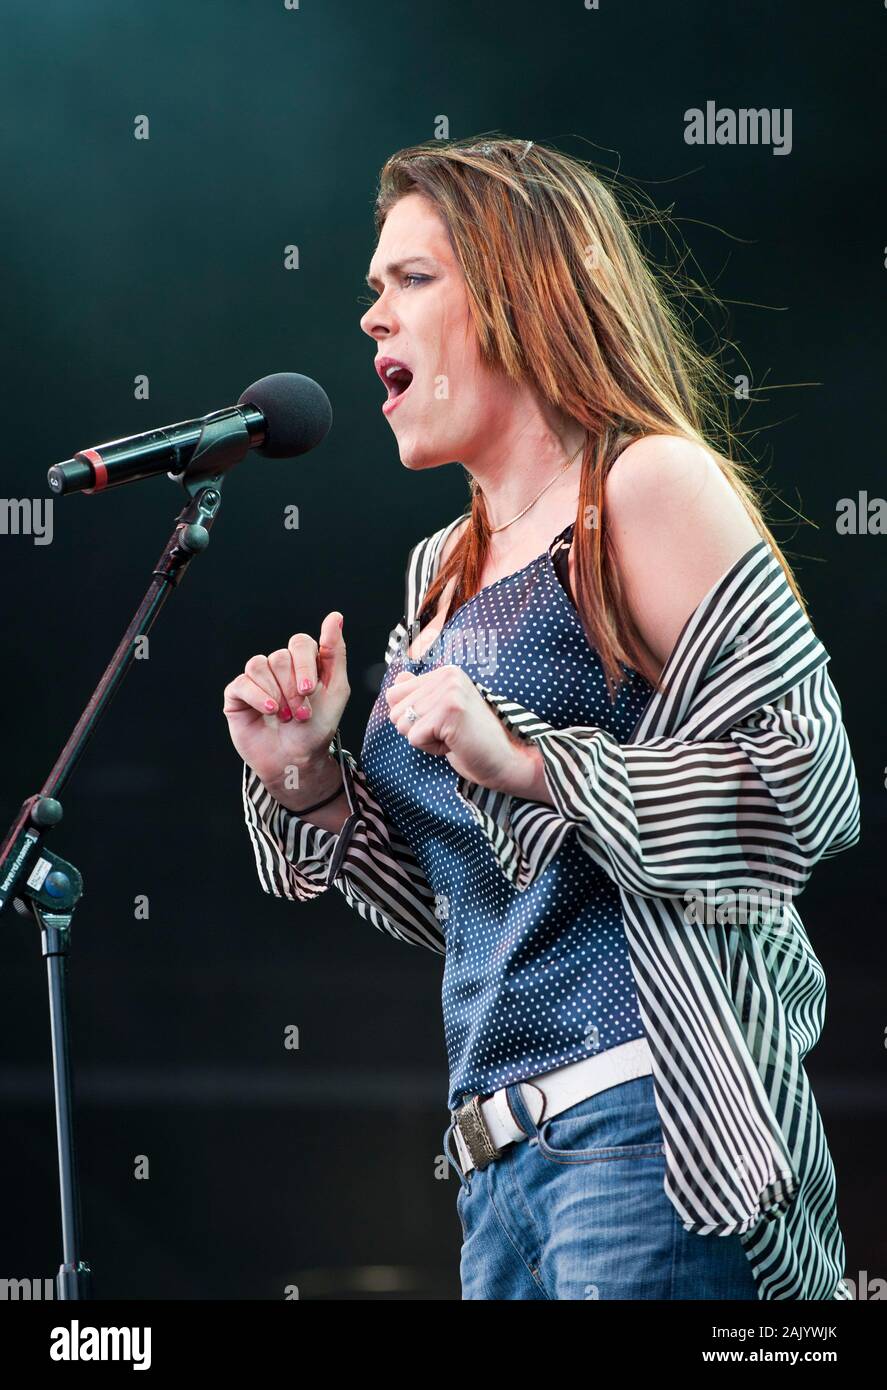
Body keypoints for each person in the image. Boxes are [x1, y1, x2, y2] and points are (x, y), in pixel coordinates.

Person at [223, 137, 860, 1300]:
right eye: (371, 286)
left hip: (646, 1127)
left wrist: (526, 757)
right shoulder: (440, 570)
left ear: (526, 293)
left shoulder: (642, 486)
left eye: (410, 280)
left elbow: (807, 791)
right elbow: (482, 904)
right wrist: (310, 779)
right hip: (496, 1178)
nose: (371, 317)